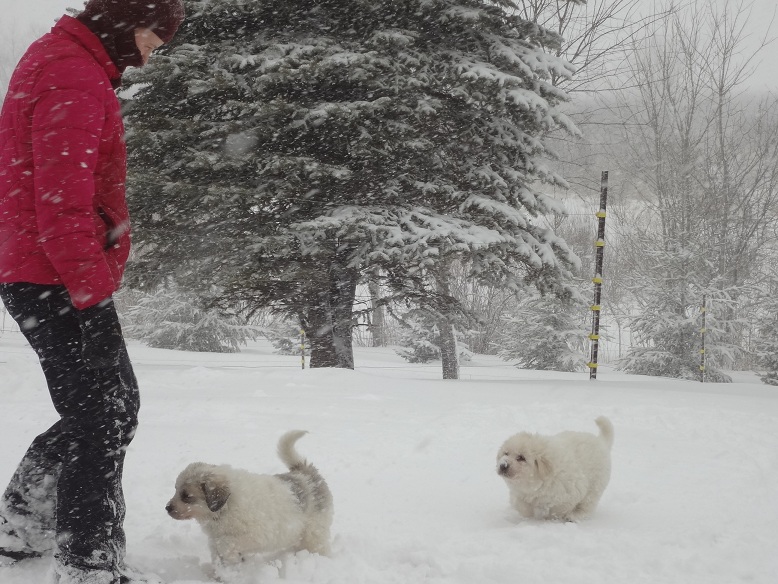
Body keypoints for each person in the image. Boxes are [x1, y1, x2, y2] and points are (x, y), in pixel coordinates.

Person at [0, 1, 184, 583]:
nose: (158, 49)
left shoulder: (68, 62)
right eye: (158, 35)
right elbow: (62, 203)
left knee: (100, 411)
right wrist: (93, 299)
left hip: (43, 271)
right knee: (105, 414)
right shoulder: (72, 73)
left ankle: (21, 527)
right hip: (51, 274)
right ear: (129, 20)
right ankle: (87, 565)